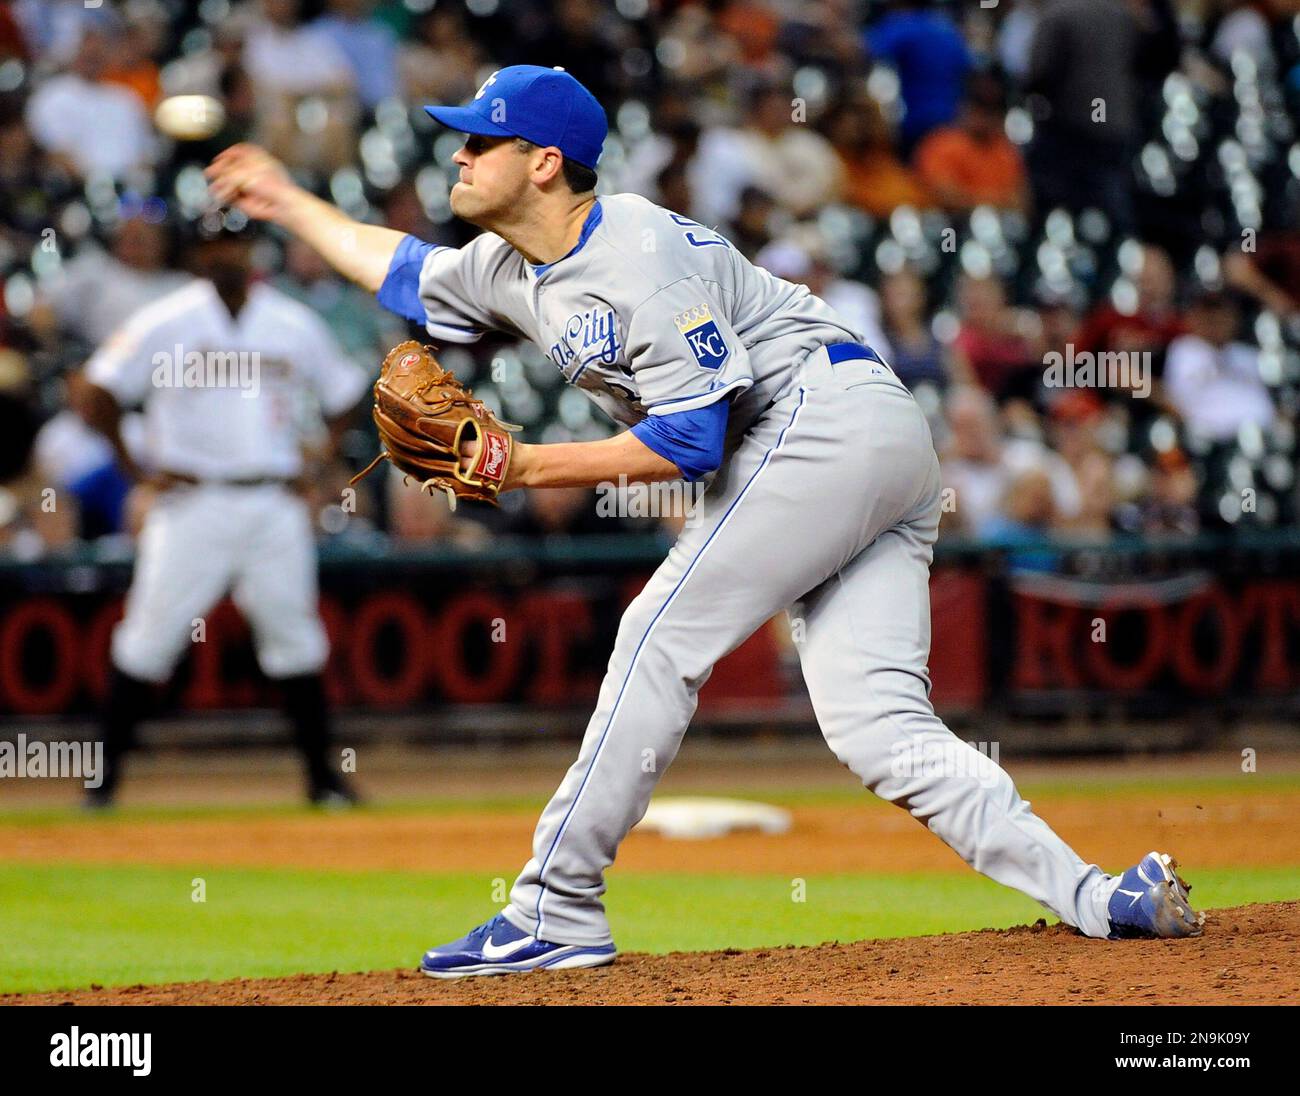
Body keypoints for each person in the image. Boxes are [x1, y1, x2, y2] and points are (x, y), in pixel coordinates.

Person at [207, 65, 1204, 977]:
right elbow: (399, 267)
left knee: (654, 634)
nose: (458, 154)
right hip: (861, 443)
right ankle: (1098, 894)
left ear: (543, 162)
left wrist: (526, 465)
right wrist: (286, 201)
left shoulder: (635, 248)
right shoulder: (512, 268)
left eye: (481, 139)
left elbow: (691, 442)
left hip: (820, 417)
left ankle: (554, 905)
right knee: (877, 728)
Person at [80, 215, 370, 808]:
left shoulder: (289, 320)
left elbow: (346, 392)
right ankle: (102, 785)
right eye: (213, 244)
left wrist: (320, 461)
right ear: (197, 254)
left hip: (272, 499)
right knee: (148, 639)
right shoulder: (166, 319)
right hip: (192, 503)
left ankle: (322, 781)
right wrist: (135, 468)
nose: (225, 255)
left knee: (295, 638)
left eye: (234, 243)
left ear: (252, 250)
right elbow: (94, 390)